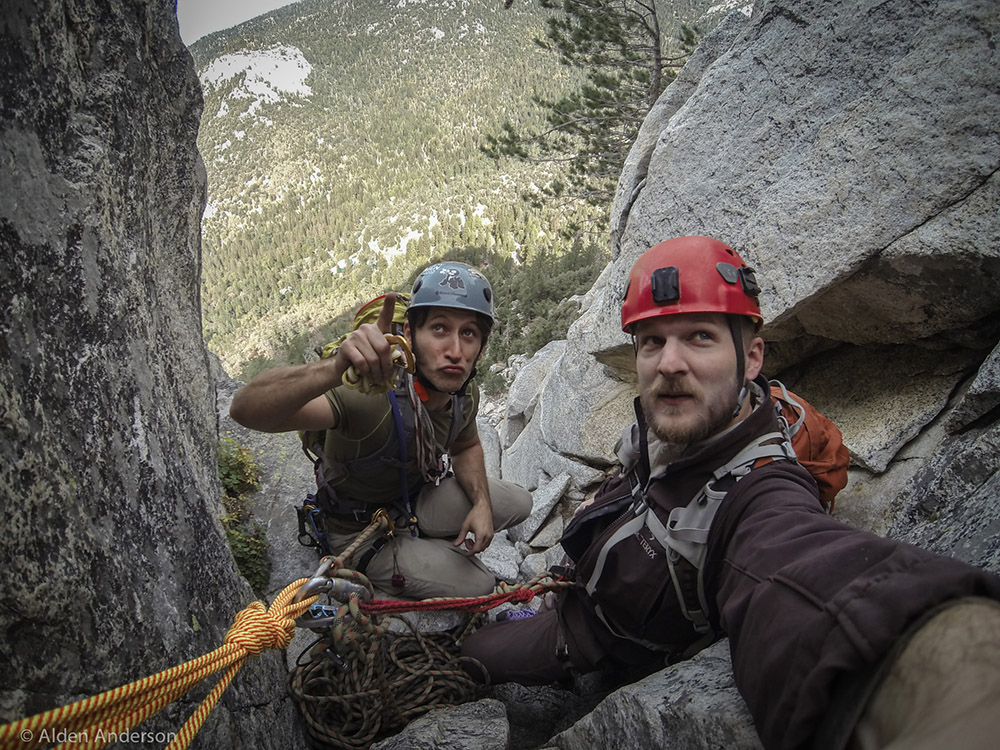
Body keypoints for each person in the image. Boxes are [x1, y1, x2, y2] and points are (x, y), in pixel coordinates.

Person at [461, 236, 1000, 750]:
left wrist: (950, 678)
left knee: (465, 654)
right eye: (652, 340)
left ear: (754, 358)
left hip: (587, 630)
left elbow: (801, 573)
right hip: (578, 582)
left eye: (700, 337)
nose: (670, 363)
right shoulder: (678, 425)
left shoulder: (759, 494)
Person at [230, 262, 532, 599]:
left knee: (519, 502)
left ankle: (427, 540)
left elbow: (466, 446)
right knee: (480, 584)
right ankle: (381, 565)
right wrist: (335, 368)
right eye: (439, 329)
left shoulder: (461, 392)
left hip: (414, 498)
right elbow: (245, 409)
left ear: (483, 345)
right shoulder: (369, 395)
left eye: (468, 334)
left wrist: (480, 505)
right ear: (409, 336)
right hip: (362, 529)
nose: (455, 351)